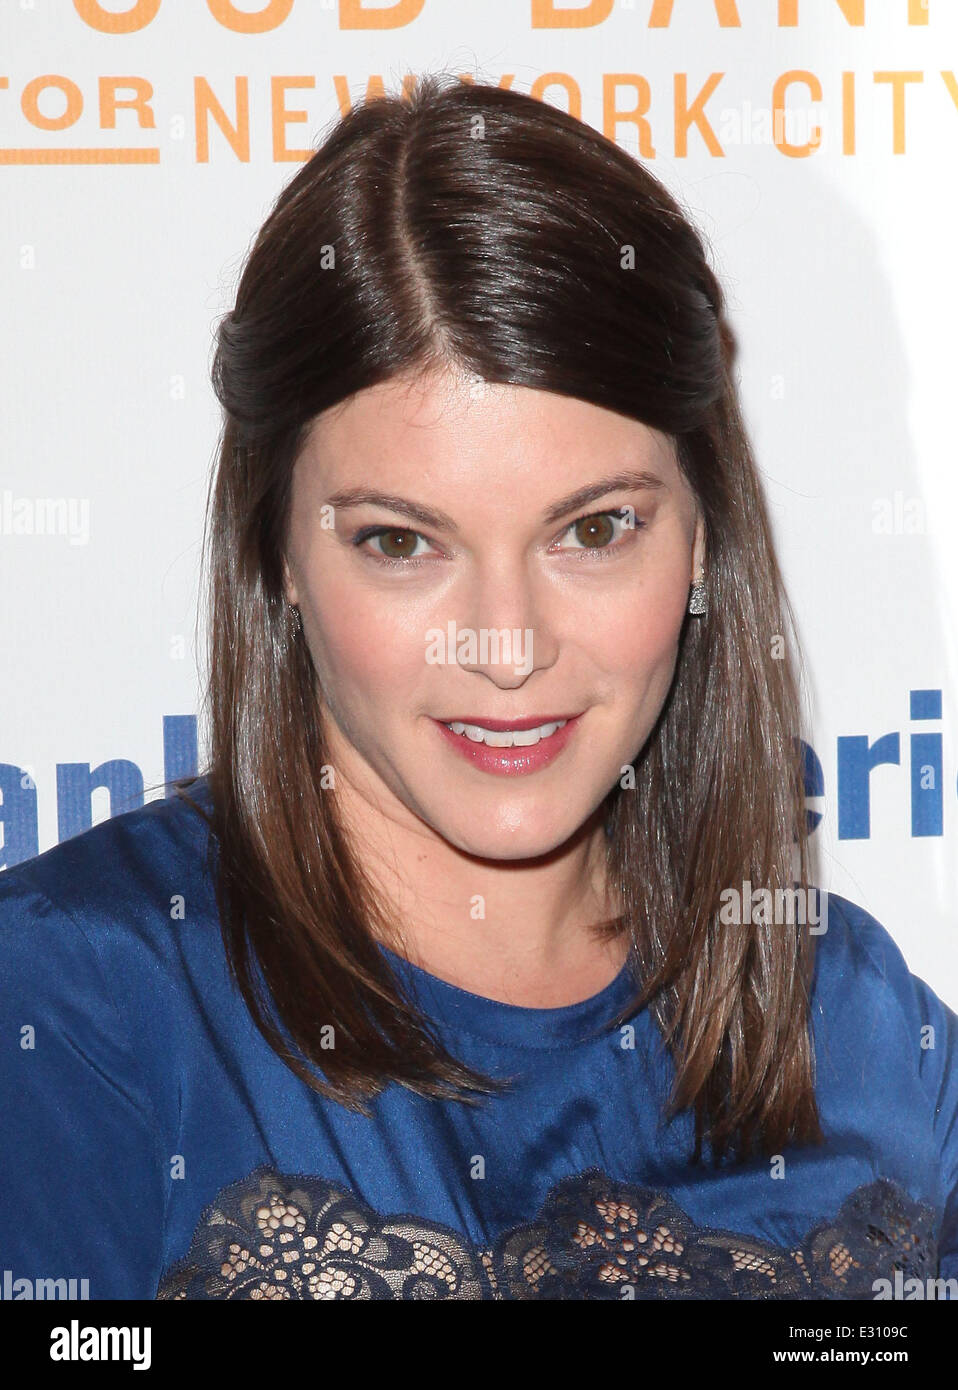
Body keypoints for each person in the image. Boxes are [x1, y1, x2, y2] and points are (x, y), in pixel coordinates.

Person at [1, 73, 955, 1302]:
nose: (503, 646)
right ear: (278, 550)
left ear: (704, 535)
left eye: (595, 530)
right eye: (401, 542)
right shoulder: (73, 1006)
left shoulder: (860, 1025)